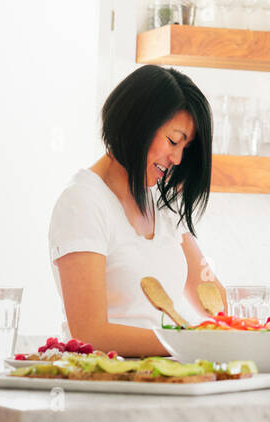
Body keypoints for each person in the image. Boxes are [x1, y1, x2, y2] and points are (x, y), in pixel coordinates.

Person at [49, 65, 224, 357]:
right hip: (100, 387)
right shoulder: (82, 202)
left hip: (157, 381)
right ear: (137, 124)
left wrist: (244, 322)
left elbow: (214, 301)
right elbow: (90, 332)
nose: (178, 158)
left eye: (186, 148)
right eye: (172, 141)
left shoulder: (163, 209)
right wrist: (187, 342)